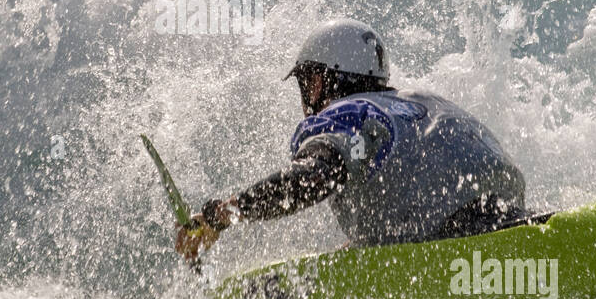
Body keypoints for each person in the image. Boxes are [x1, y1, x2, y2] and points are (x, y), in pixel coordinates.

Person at [176, 18, 528, 263]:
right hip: (511, 228)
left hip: (465, 254)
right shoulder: (423, 102)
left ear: (323, 82)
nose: (305, 98)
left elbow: (314, 177)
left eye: (307, 82)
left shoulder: (345, 114)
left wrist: (222, 215)